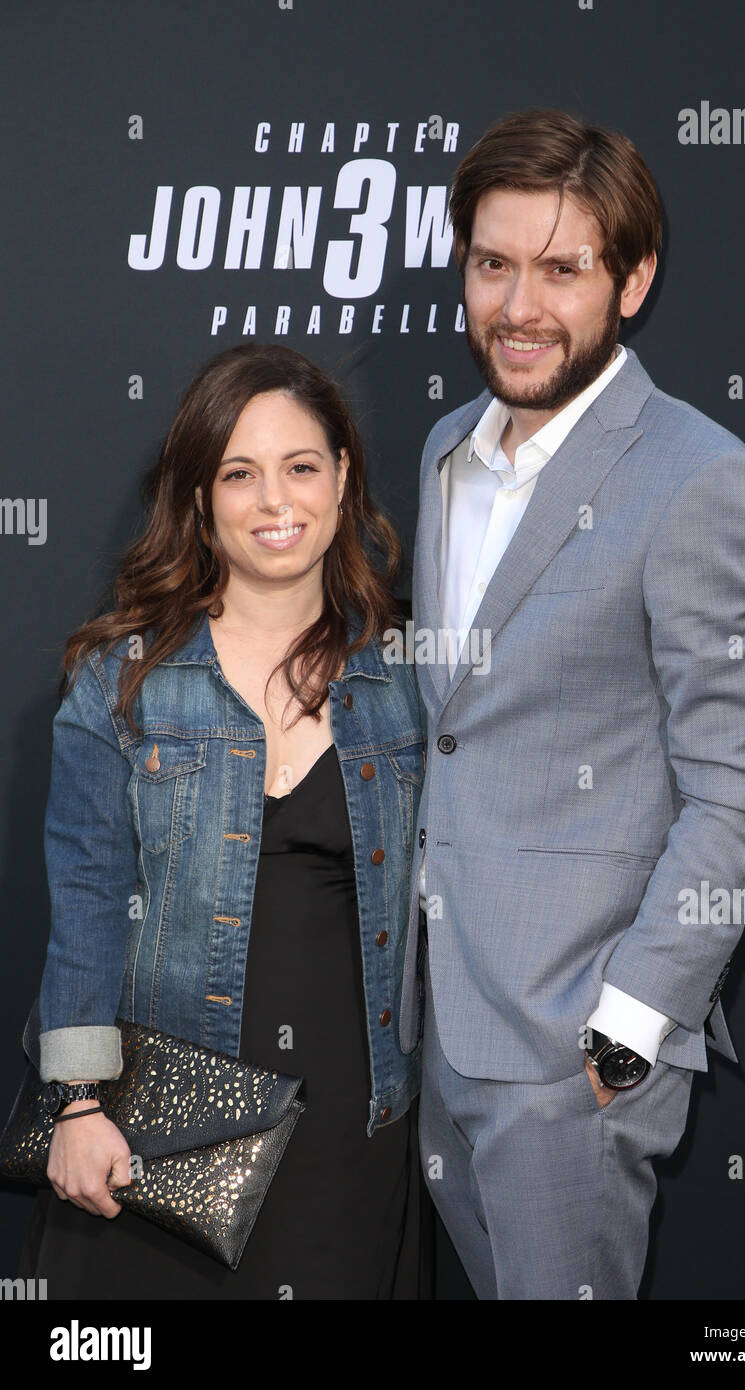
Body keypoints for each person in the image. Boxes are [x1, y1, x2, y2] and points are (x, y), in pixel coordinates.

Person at [398, 108, 745, 1300]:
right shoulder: (442, 451)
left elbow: (736, 795)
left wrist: (623, 1028)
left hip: (575, 1051)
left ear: (632, 281)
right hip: (439, 1024)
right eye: (491, 263)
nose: (517, 305)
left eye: (560, 268)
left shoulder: (699, 480)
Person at [18, 342, 431, 1299]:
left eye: (300, 467)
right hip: (162, 1123)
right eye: (237, 473)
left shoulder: (411, 674)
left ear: (342, 481)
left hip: (355, 1118)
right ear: (199, 499)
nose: (274, 501)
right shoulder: (121, 682)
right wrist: (78, 1101)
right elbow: (86, 899)